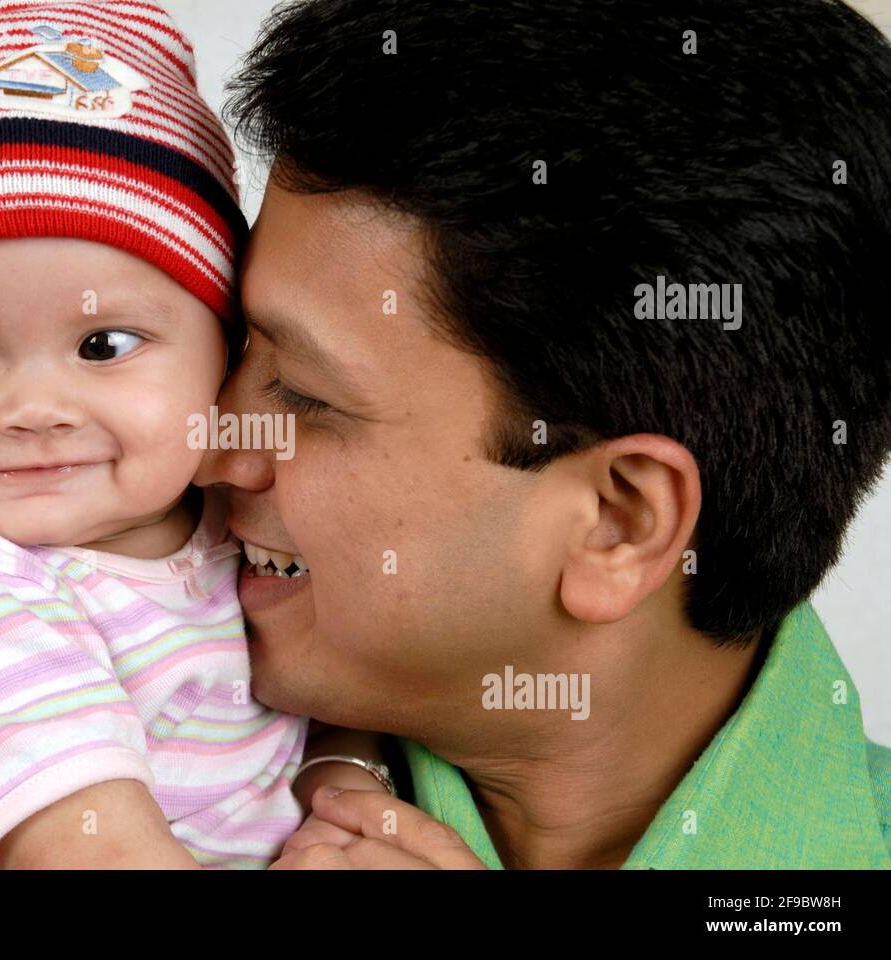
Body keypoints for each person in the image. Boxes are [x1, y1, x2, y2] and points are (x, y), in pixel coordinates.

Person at [193, 0, 891, 868]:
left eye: (302, 395)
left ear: (618, 523)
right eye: (227, 340)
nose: (202, 444)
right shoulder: (58, 747)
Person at [0, 0, 388, 871]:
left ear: (223, 355)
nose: (34, 408)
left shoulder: (237, 519)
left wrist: (343, 791)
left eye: (103, 346)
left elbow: (345, 678)